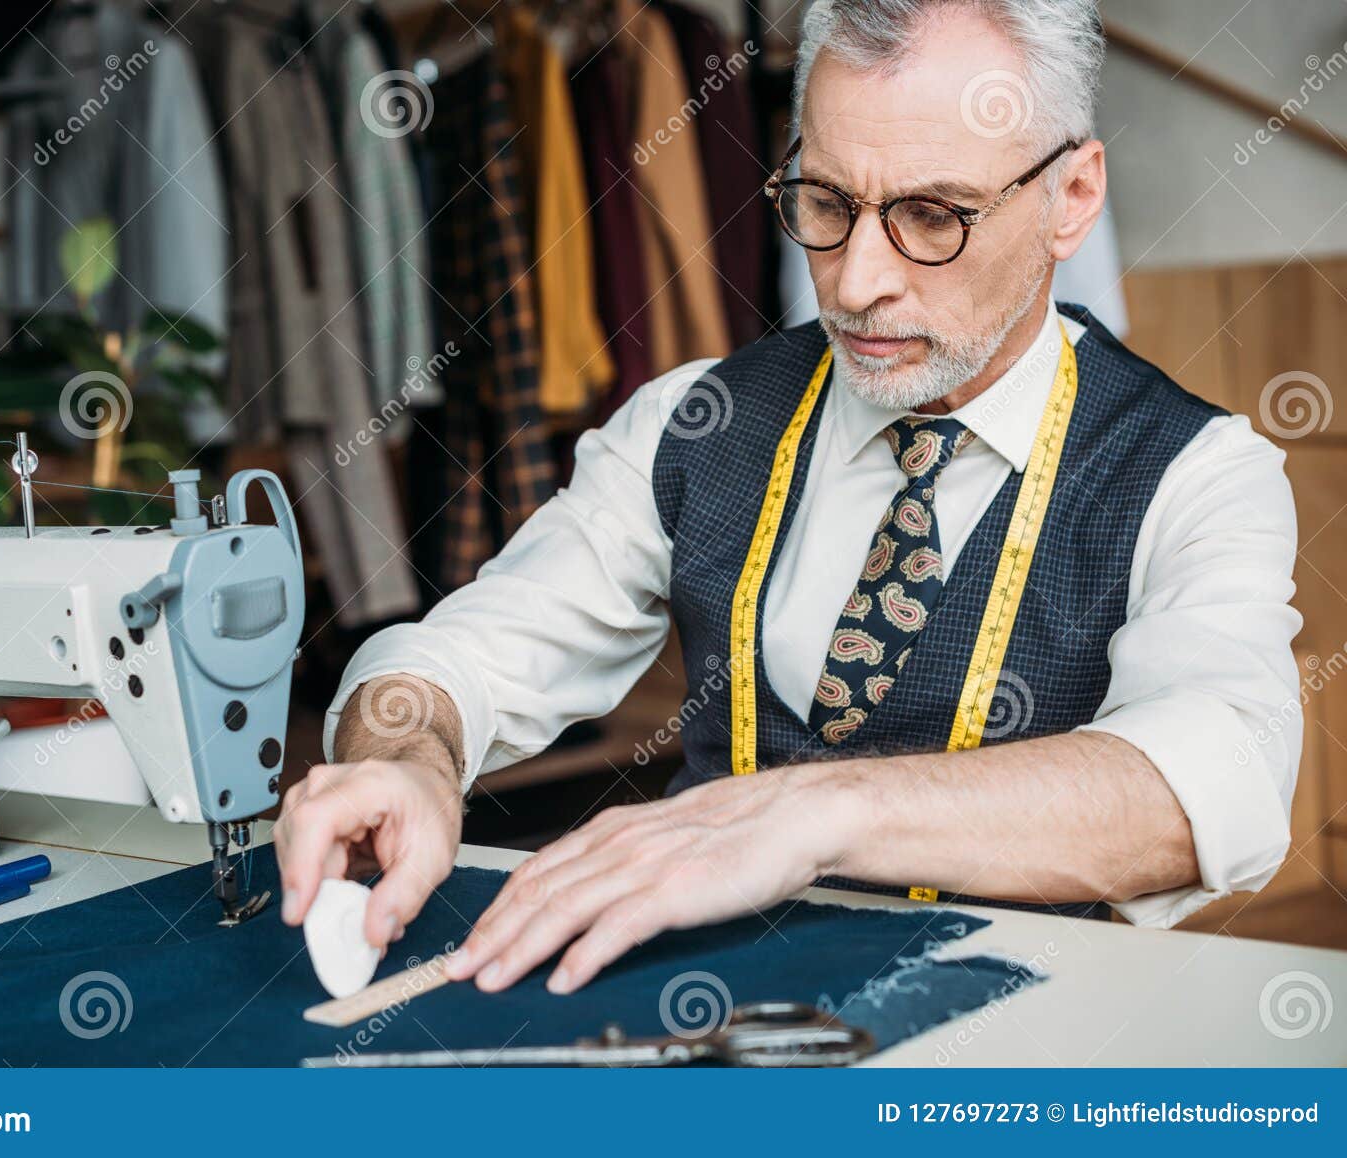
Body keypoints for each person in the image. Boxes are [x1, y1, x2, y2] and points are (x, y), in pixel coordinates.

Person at [274, 0, 1301, 997]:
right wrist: (402, 758)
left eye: (931, 216)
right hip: (710, 1025)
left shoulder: (1195, 472)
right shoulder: (691, 421)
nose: (852, 284)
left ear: (1071, 198)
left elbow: (1217, 779)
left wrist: (814, 814)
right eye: (825, 203)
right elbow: (454, 660)